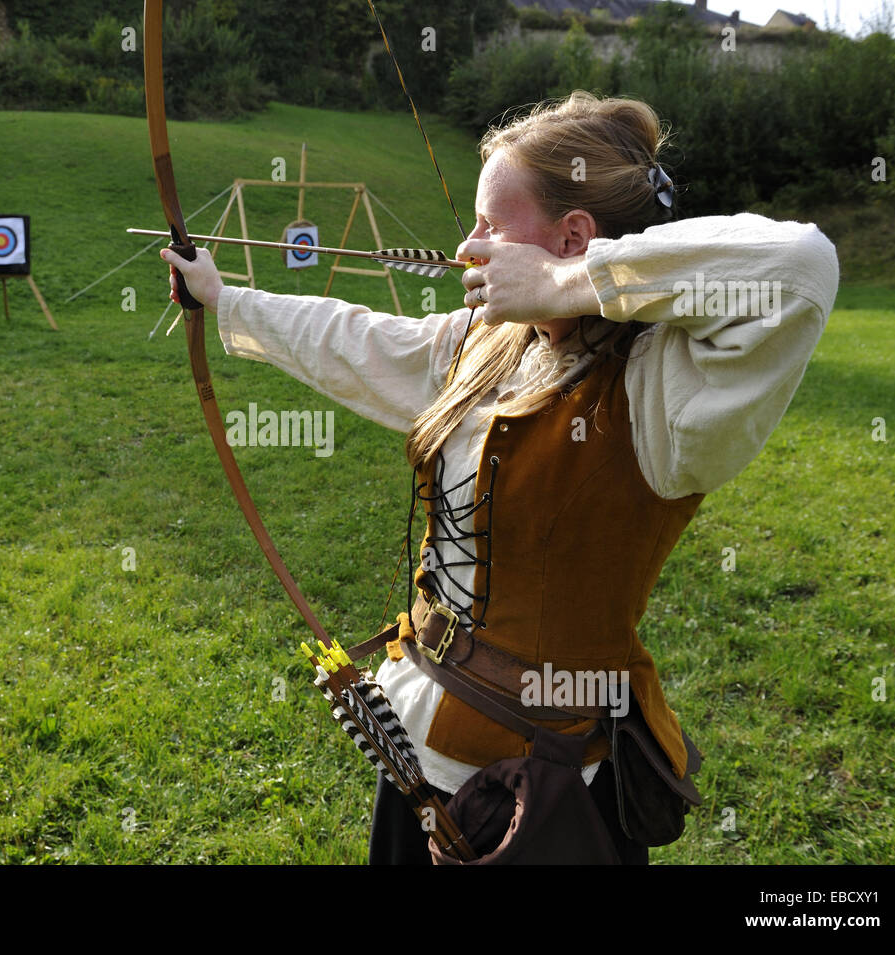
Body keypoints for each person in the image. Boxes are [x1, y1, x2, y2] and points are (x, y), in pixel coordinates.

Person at [160, 90, 839, 864]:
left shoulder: (665, 387)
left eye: (490, 222)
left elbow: (801, 267)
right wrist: (224, 298)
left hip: (542, 783)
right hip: (416, 735)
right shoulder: (491, 342)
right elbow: (364, 340)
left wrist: (563, 285)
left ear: (573, 235)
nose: (467, 243)